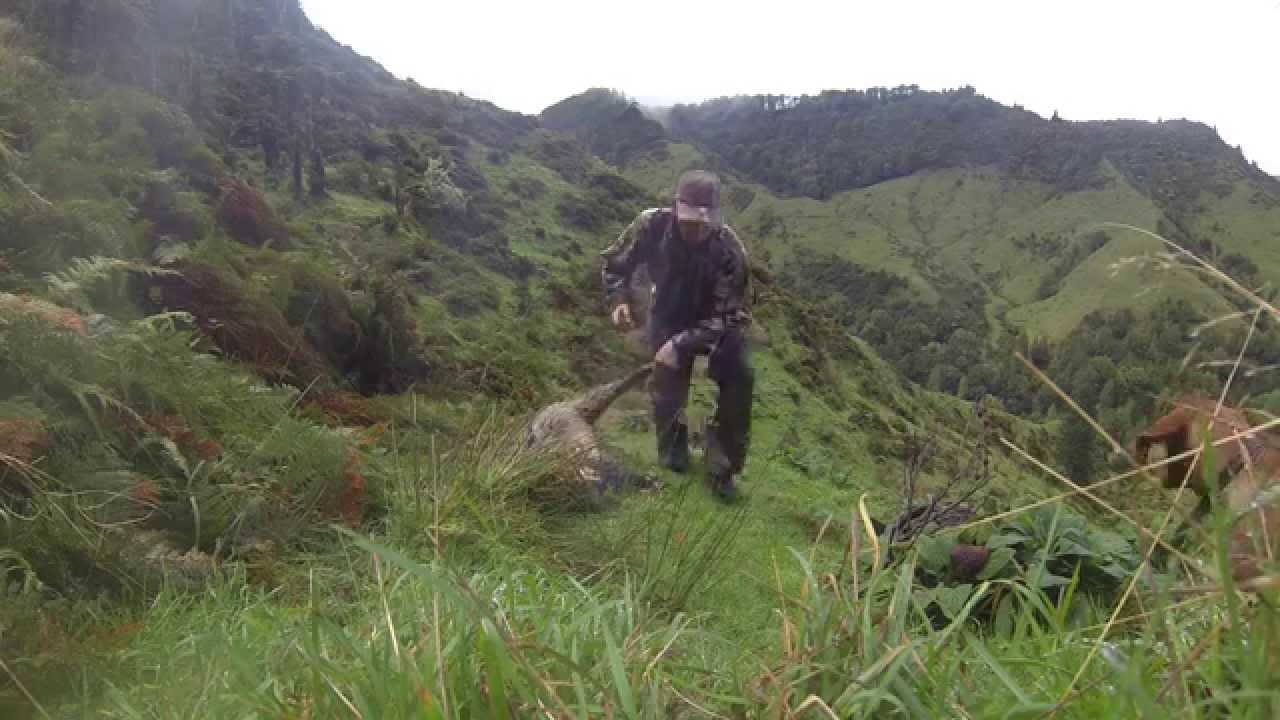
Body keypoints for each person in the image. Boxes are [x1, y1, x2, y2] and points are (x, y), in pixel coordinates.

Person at [599, 170, 754, 501]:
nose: (695, 231)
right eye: (687, 222)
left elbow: (730, 314)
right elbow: (615, 265)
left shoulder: (729, 250)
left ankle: (722, 467)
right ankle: (674, 457)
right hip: (668, 312)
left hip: (717, 322)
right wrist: (619, 300)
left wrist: (680, 344)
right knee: (667, 382)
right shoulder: (649, 225)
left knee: (740, 376)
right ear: (674, 209)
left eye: (703, 224)